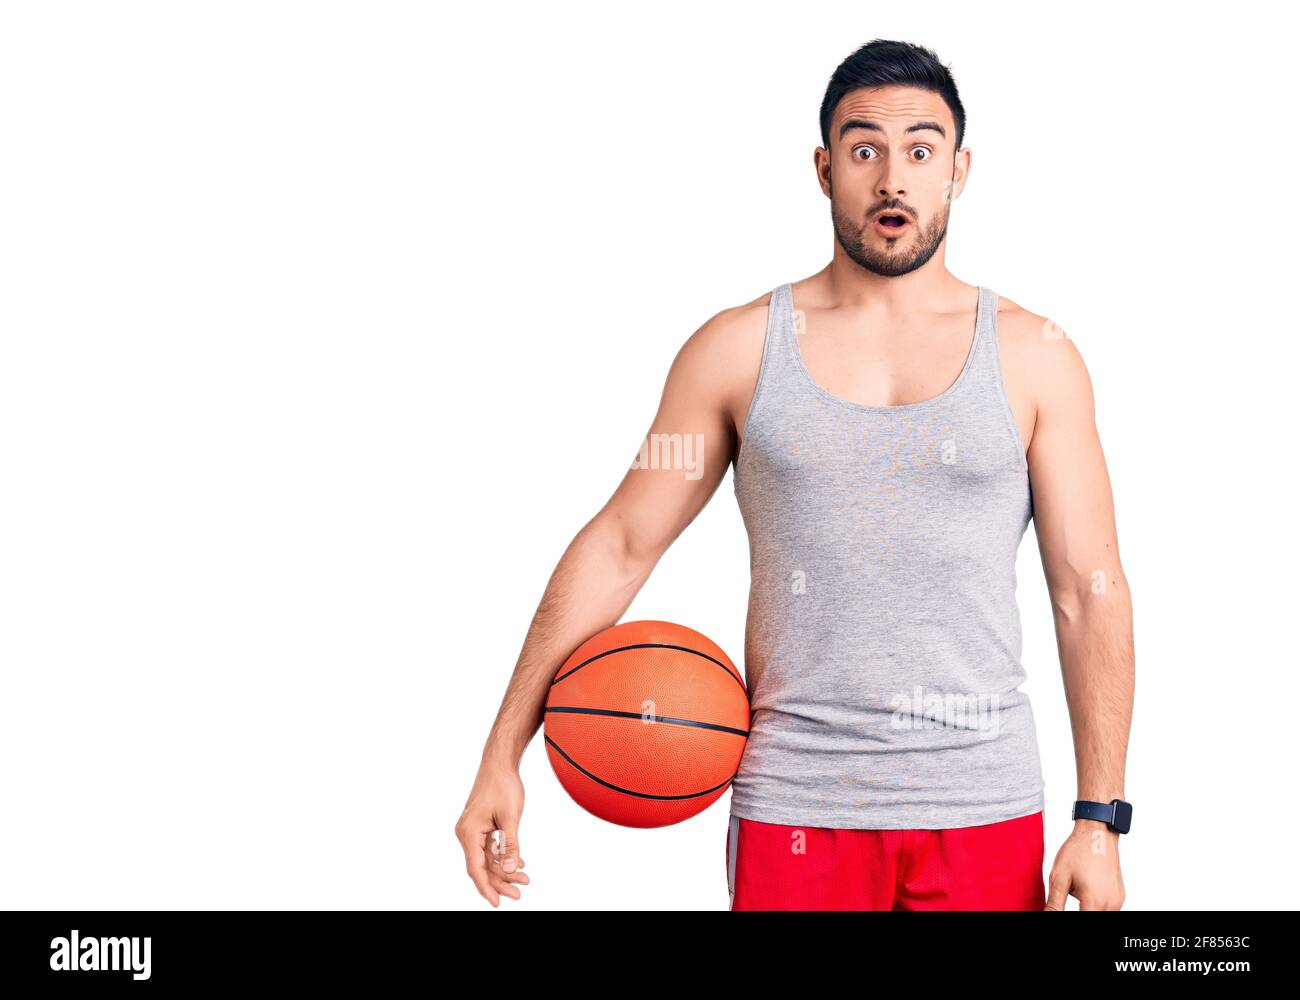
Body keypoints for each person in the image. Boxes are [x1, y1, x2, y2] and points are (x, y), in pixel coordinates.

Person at [456, 38, 1133, 910]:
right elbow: (621, 544)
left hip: (983, 803)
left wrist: (1099, 817)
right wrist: (500, 752)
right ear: (824, 169)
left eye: (920, 151)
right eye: (865, 150)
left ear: (959, 169)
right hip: (795, 807)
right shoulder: (737, 349)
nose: (893, 178)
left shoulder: (1037, 357)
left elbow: (1089, 587)